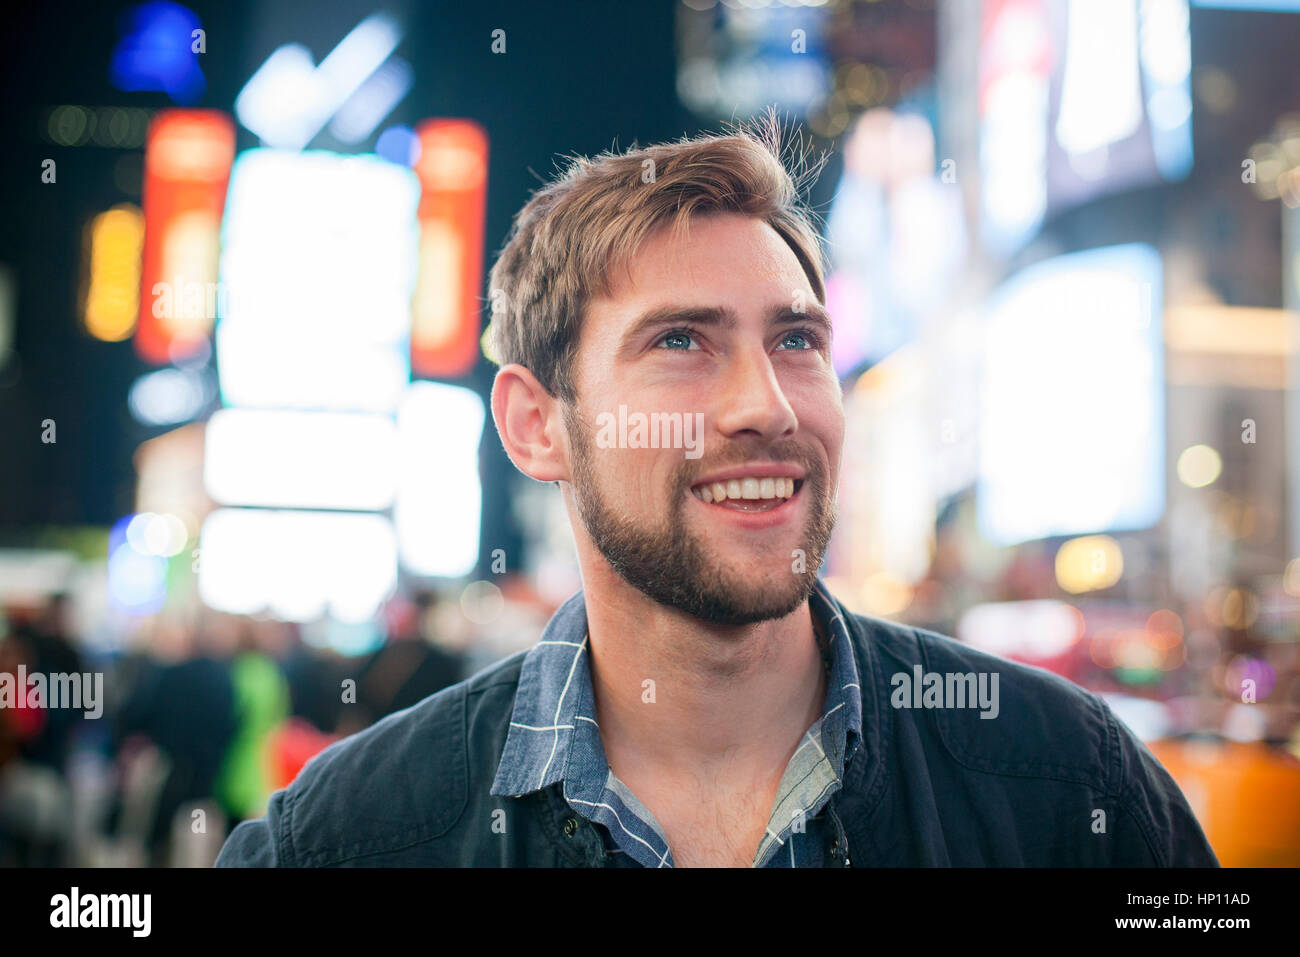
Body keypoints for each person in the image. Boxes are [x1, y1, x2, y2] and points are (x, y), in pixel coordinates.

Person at [216, 111, 1218, 867]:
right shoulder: (346, 841)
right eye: (681, 341)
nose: (767, 405)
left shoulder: (1067, 783)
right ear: (535, 424)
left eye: (795, 340)